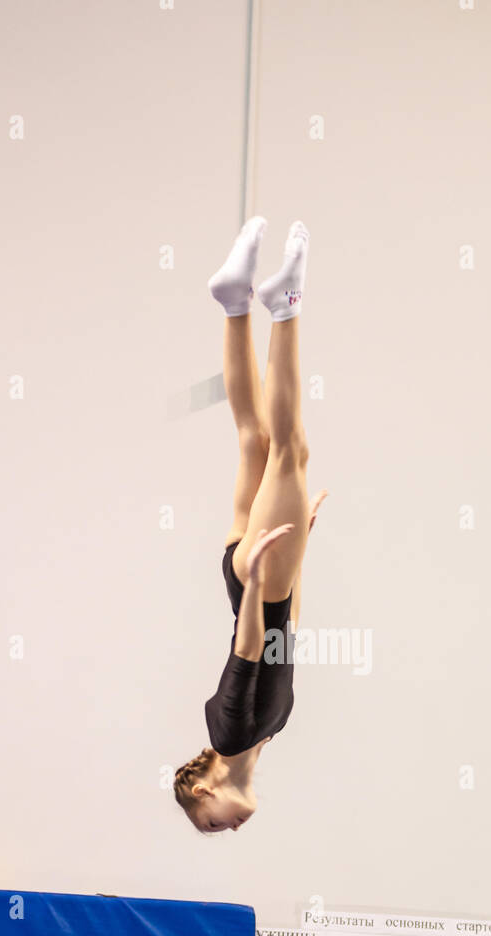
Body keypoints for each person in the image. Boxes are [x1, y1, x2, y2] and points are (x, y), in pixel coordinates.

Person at [174, 216, 327, 833]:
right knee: (254, 441)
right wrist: (298, 556)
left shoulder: (231, 733)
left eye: (208, 820)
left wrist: (263, 580)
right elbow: (287, 638)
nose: (225, 827)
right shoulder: (266, 735)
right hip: (256, 576)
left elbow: (247, 648)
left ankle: (283, 306)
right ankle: (234, 300)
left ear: (205, 785)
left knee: (291, 449)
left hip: (257, 583)